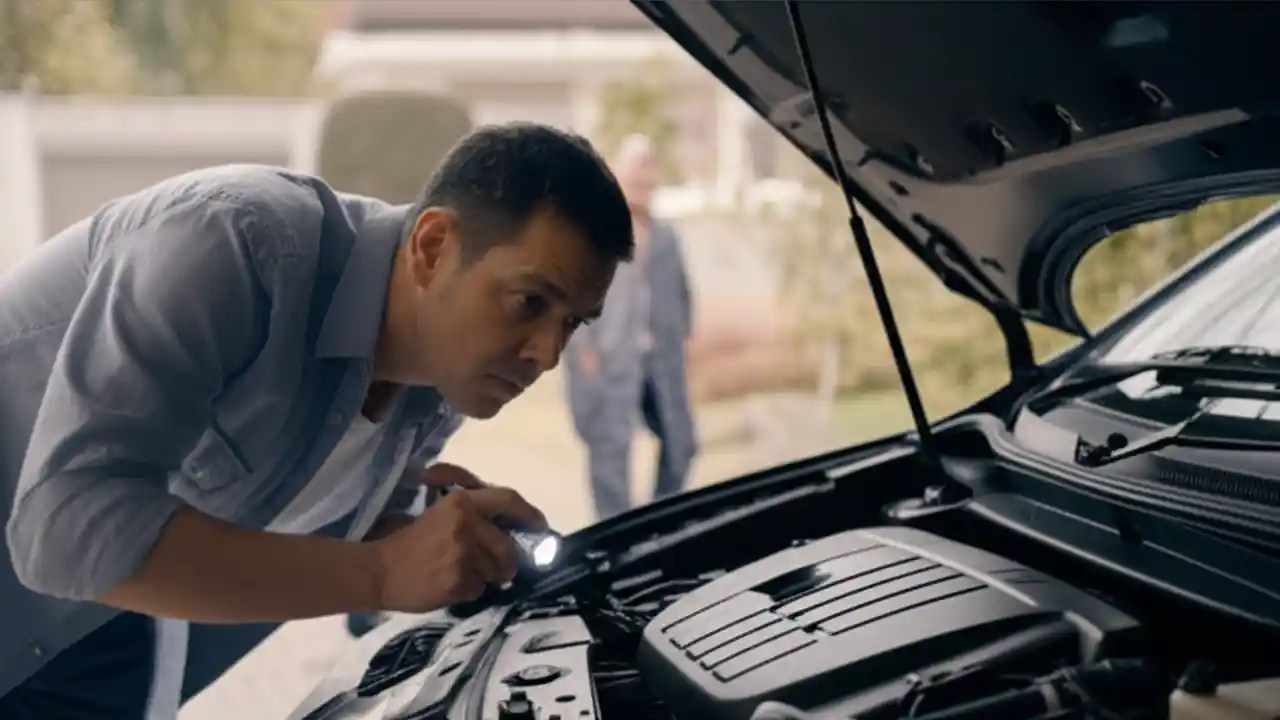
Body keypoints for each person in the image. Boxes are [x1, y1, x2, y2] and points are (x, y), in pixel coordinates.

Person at [0, 122, 632, 718]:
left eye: (572, 322)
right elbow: (63, 534)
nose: (548, 355)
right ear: (433, 247)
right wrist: (384, 575)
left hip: (108, 647)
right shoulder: (234, 241)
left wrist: (431, 534)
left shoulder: (433, 388)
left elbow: (317, 521)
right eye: (530, 303)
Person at [564, 134, 698, 520]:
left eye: (648, 179)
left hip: (660, 357)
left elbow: (683, 289)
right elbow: (573, 292)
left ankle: (662, 518)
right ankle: (616, 528)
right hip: (609, 357)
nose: (643, 186)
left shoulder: (667, 236)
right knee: (610, 449)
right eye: (634, 178)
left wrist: (685, 334)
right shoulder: (597, 232)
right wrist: (582, 346)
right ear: (617, 178)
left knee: (681, 442)